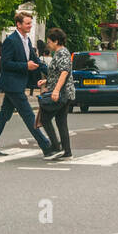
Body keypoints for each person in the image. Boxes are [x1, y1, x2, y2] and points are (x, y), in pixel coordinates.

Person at [0, 10, 53, 157]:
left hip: (18, 84)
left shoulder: (27, 40)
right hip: (12, 84)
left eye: (30, 23)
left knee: (4, 116)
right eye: (27, 23)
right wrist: (25, 66)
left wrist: (51, 73)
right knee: (29, 115)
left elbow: (36, 60)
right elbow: (6, 63)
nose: (30, 26)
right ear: (18, 24)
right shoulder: (11, 40)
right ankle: (46, 146)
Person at [35, 27, 75, 160]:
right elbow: (58, 72)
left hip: (62, 92)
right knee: (61, 121)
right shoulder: (59, 53)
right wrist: (46, 80)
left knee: (45, 118)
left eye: (50, 41)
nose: (48, 44)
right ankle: (66, 151)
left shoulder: (62, 53)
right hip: (63, 92)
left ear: (56, 41)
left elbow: (64, 72)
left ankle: (57, 148)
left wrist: (56, 90)